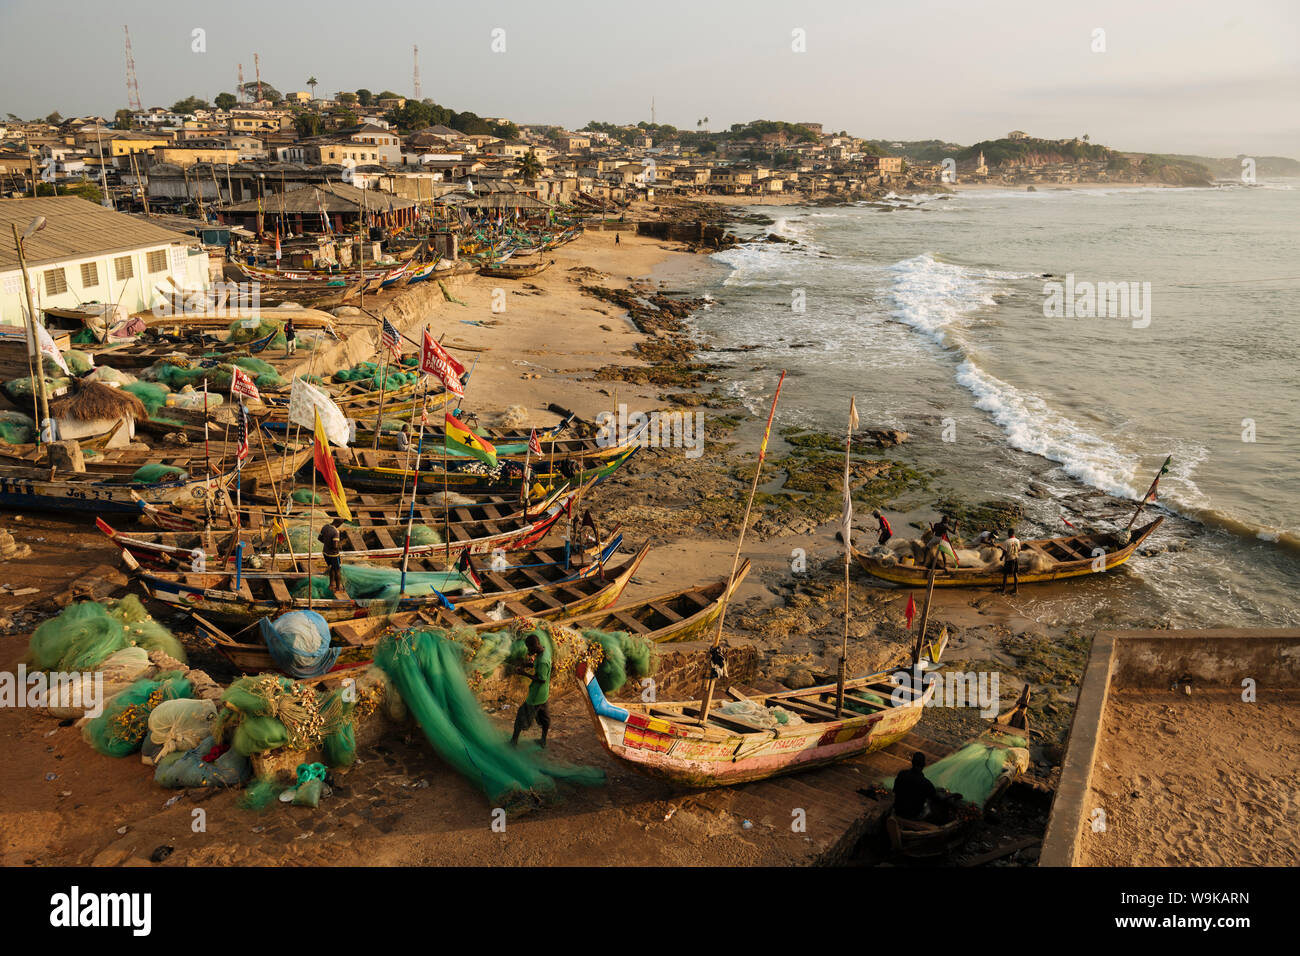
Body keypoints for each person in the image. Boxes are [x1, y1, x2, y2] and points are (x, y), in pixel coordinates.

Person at [510, 634, 552, 748]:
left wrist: (524, 673)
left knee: (521, 716)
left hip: (536, 695)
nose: (528, 650)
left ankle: (513, 742)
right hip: (544, 694)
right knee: (545, 718)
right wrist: (527, 664)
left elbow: (541, 679)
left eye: (529, 648)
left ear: (534, 646)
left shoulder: (543, 661)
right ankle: (543, 740)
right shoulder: (544, 651)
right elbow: (538, 666)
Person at [893, 751, 938, 821]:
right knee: (930, 805)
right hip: (913, 815)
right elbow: (935, 798)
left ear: (912, 762)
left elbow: (895, 790)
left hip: (898, 810)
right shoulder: (926, 783)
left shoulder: (902, 774)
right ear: (924, 765)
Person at [318, 518, 345, 593]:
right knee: (337, 570)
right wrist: (339, 548)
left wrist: (327, 543)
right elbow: (335, 546)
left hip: (325, 552)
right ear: (339, 524)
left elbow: (320, 538)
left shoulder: (325, 527)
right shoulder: (335, 532)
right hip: (333, 554)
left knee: (332, 568)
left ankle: (331, 584)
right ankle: (338, 588)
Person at [1001, 527, 1022, 595]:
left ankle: (1004, 590)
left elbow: (1005, 551)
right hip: (1015, 559)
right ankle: (1016, 589)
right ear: (1013, 533)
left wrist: (1001, 557)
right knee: (1015, 574)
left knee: (1005, 575)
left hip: (1009, 560)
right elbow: (1019, 550)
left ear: (1008, 533)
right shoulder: (1017, 540)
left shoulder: (1006, 542)